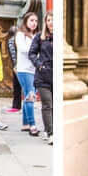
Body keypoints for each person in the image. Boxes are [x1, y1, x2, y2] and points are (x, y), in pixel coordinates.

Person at [28, 11, 53, 143]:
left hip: (55, 75)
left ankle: (50, 129)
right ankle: (50, 133)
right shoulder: (40, 37)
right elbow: (31, 53)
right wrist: (39, 65)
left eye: (53, 20)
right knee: (47, 104)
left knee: (54, 105)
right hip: (43, 75)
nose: (51, 22)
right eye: (48, 20)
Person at [15, 12, 41, 137]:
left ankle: (25, 123)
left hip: (35, 69)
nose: (34, 23)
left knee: (28, 95)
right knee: (30, 96)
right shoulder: (20, 35)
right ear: (25, 21)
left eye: (36, 21)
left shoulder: (37, 35)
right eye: (31, 20)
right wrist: (36, 50)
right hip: (24, 70)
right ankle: (32, 124)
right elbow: (23, 50)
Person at [5, 26, 22, 113]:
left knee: (17, 86)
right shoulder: (19, 39)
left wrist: (15, 66)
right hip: (22, 65)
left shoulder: (11, 41)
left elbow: (13, 55)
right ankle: (18, 105)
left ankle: (16, 106)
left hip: (18, 66)